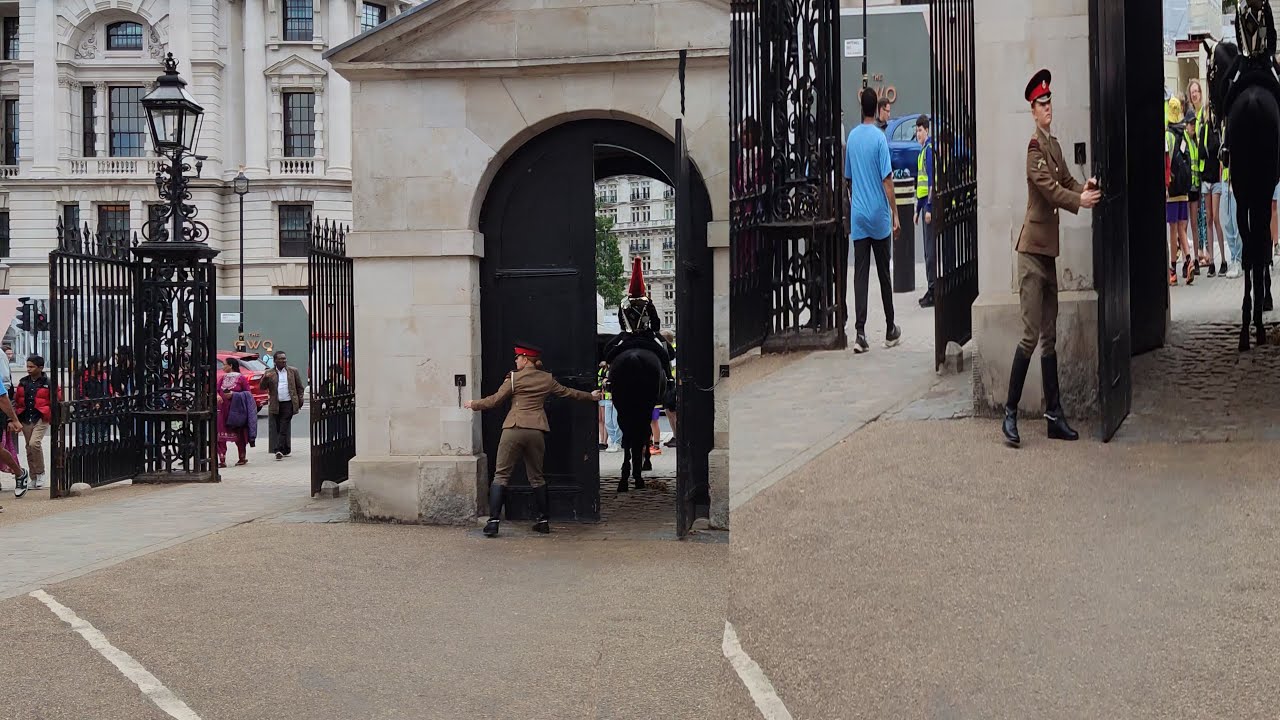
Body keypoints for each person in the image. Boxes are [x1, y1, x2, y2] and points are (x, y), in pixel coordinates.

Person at [1002, 68, 1101, 447]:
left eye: (1050, 102)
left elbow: (1067, 182)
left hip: (1048, 254)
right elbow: (1049, 191)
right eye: (1043, 104)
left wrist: (1086, 187)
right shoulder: (1033, 149)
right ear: (1032, 109)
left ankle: (1053, 415)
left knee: (1050, 337)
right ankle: (1010, 413)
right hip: (1031, 254)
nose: (1048, 108)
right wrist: (1079, 200)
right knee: (1029, 336)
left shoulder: (1054, 146)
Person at [465, 342, 600, 537]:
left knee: (501, 475)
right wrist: (591, 396)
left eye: (518, 358)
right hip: (536, 430)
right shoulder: (546, 379)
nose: (516, 360)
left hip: (514, 428)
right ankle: (543, 521)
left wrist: (473, 404)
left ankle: (493, 522)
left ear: (525, 359)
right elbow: (568, 392)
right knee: (536, 477)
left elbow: (495, 400)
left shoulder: (513, 379)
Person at [843, 86, 902, 354]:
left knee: (860, 275)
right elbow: (887, 180)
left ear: (860, 108)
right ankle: (890, 327)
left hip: (859, 216)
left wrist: (856, 201)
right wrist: (896, 214)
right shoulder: (879, 139)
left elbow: (848, 178)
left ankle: (860, 331)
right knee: (883, 273)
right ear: (875, 110)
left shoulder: (853, 138)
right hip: (878, 215)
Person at [1165, 97, 1195, 285]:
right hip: (1184, 189)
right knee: (1183, 228)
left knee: (1173, 229)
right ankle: (1189, 259)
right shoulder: (1183, 133)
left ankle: (1173, 270)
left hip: (1172, 188)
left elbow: (1165, 161)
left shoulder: (1167, 135)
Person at [15, 355, 54, 490]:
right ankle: (34, 476)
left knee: (34, 443)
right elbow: (17, 399)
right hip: (26, 416)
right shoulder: (23, 382)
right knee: (28, 447)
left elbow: (56, 399)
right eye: (27, 366)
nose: (29, 369)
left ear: (40, 368)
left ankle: (40, 472)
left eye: (32, 367)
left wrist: (51, 413)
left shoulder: (48, 382)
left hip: (40, 416)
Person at [258, 349, 303, 460]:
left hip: (288, 403)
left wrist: (300, 399)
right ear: (275, 361)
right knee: (278, 427)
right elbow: (262, 387)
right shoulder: (269, 373)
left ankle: (277, 450)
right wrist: (265, 379)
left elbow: (299, 387)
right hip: (276, 403)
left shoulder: (293, 371)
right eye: (281, 359)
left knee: (283, 426)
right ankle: (285, 449)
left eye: (284, 358)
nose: (284, 361)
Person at [915, 114, 937, 307]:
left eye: (920, 130)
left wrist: (928, 208)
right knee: (927, 251)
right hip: (923, 207)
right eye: (916, 130)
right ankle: (931, 288)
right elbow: (921, 185)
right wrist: (917, 209)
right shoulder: (922, 151)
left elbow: (931, 183)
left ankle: (933, 289)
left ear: (927, 130)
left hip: (929, 209)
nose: (918, 133)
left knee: (930, 252)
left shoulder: (929, 151)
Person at [217, 357, 255, 468]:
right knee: (220, 435)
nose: (223, 367)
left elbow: (248, 395)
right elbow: (216, 390)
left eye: (224, 364)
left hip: (237, 411)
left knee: (240, 435)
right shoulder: (222, 378)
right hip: (223, 411)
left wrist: (234, 395)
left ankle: (242, 458)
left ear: (231, 366)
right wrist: (218, 396)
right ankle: (222, 459)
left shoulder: (241, 379)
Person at [597, 361, 621, 453]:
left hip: (616, 398)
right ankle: (613, 441)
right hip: (606, 398)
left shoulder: (618, 370)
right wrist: (603, 383)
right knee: (607, 421)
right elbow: (599, 382)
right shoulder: (603, 370)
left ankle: (617, 442)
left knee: (616, 421)